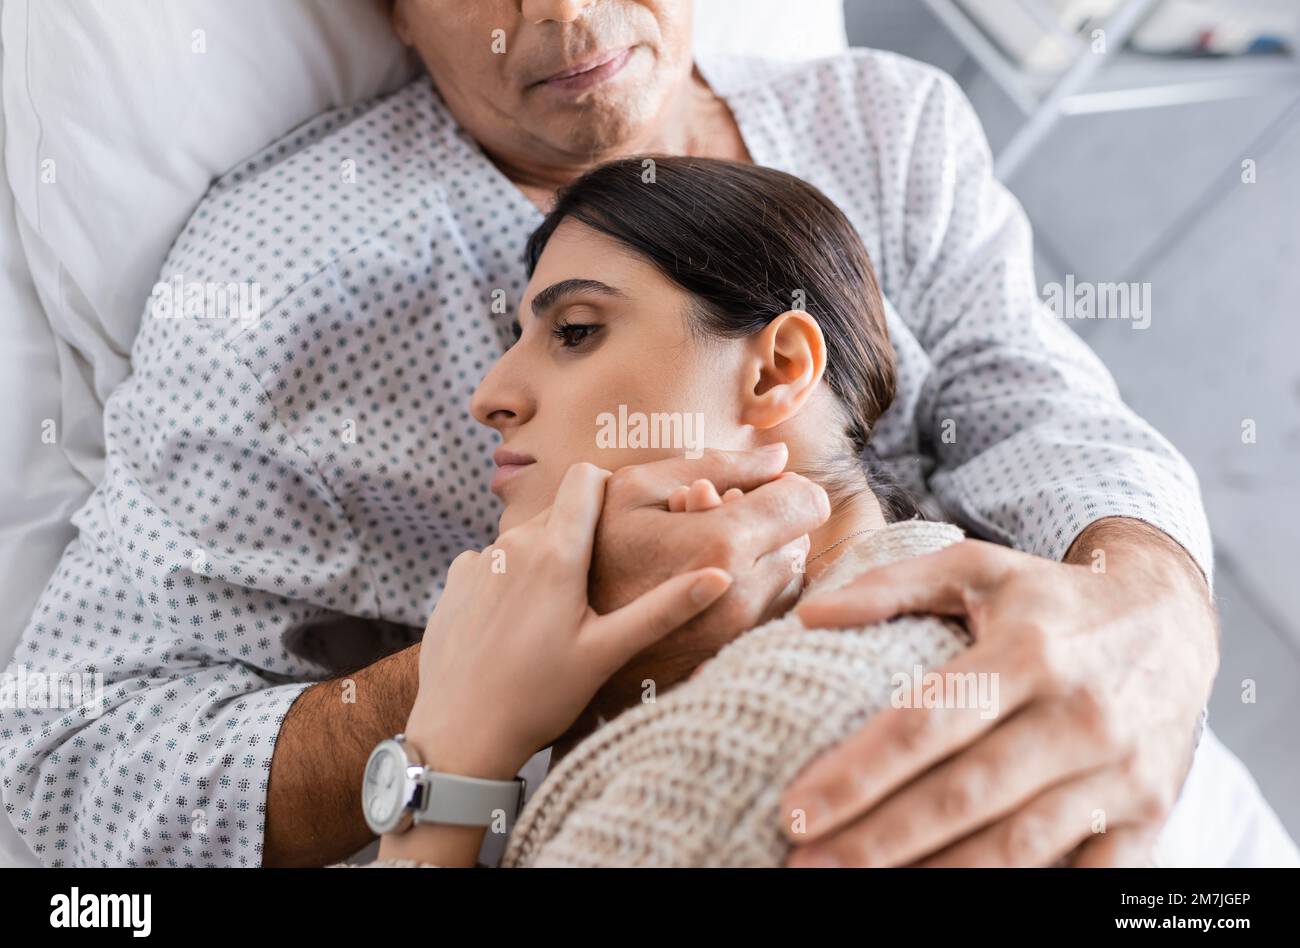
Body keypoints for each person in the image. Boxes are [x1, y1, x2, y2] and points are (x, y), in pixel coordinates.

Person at [0, 0, 1216, 868]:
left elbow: (1040, 410)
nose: (566, 14)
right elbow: (61, 769)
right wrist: (479, 682)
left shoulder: (888, 127)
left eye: (576, 331)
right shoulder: (285, 275)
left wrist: (1155, 610)